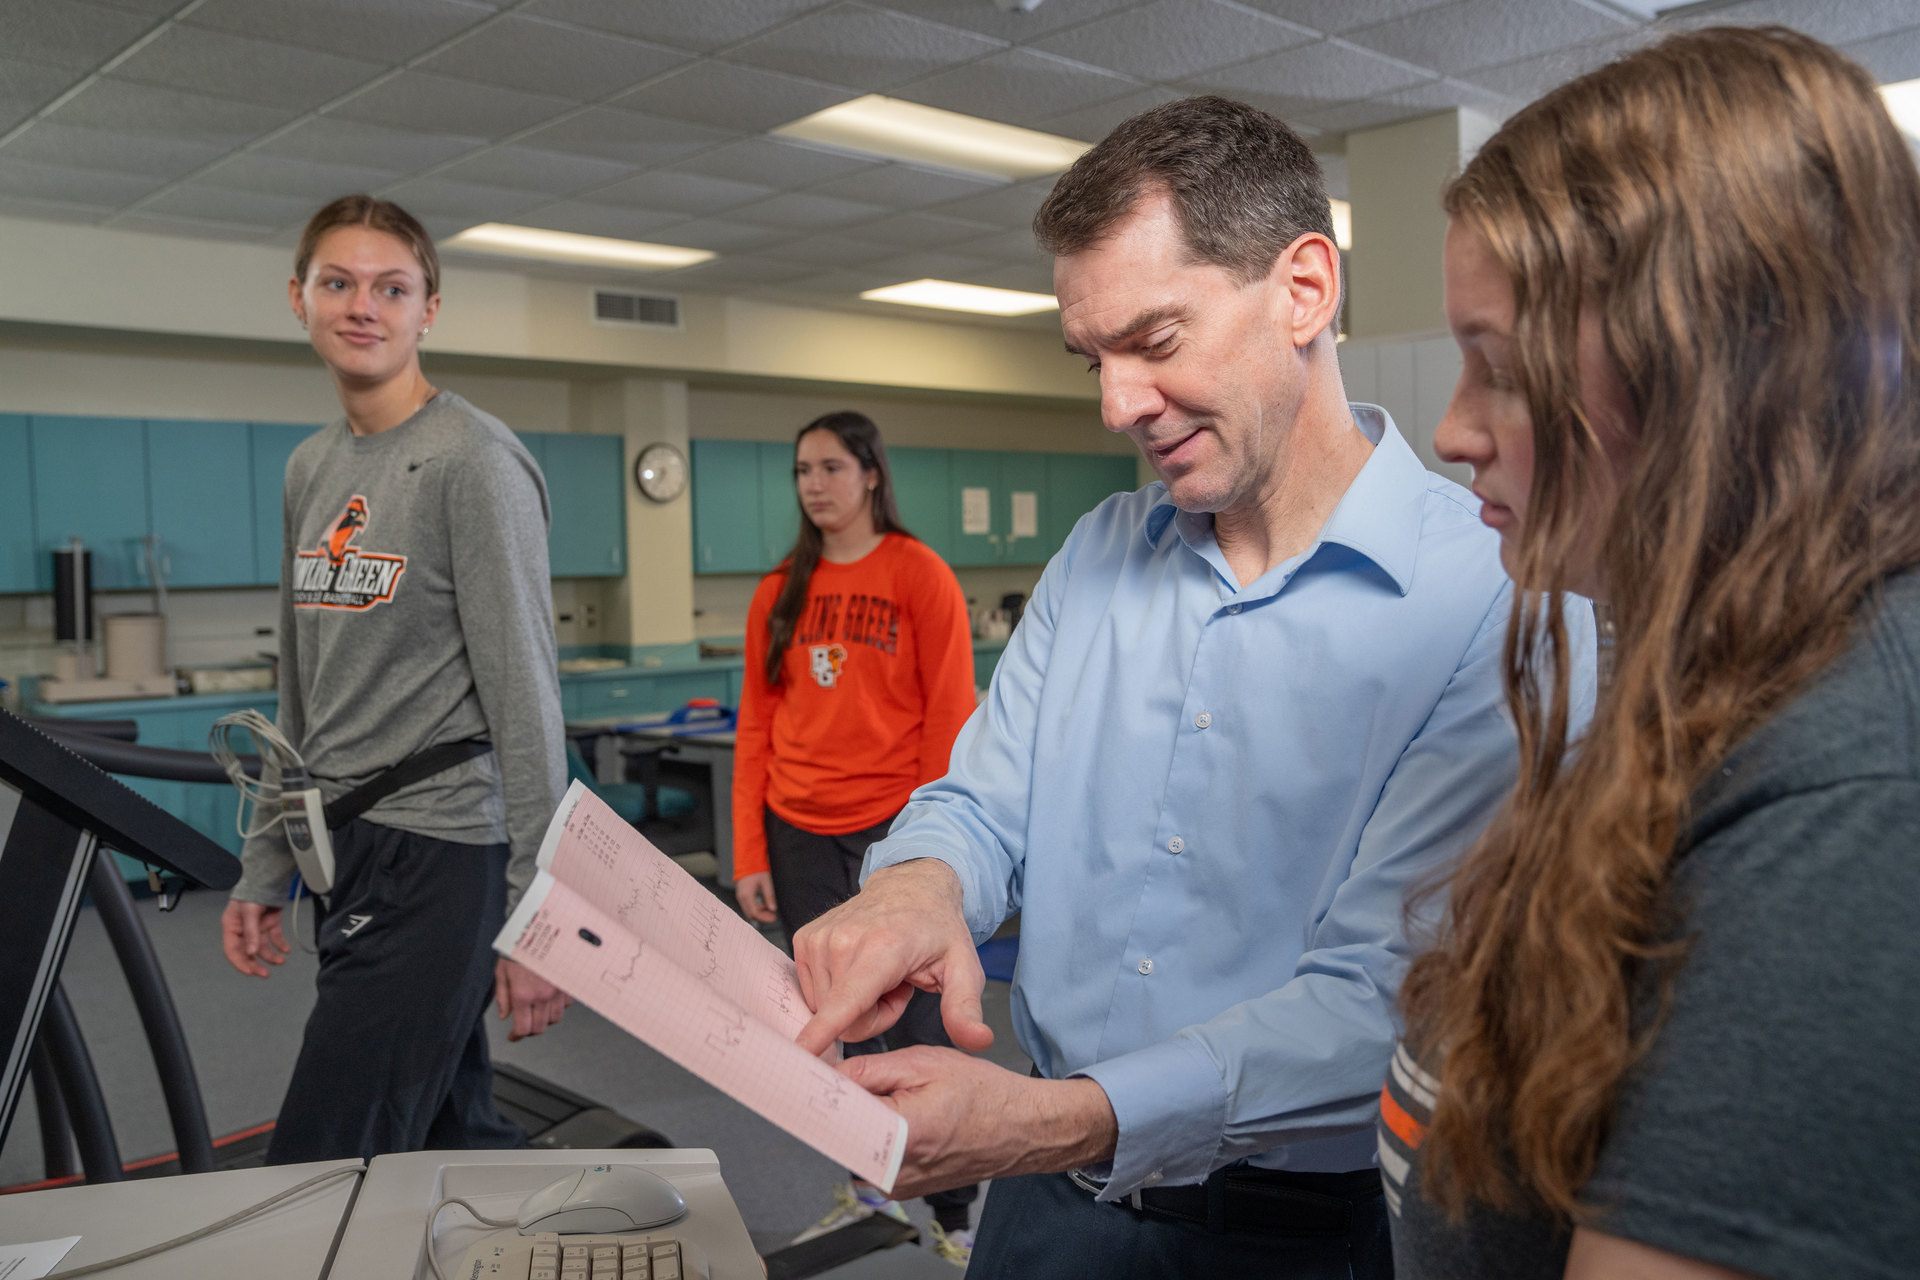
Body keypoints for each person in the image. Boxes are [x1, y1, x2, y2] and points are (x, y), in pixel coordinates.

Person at [790, 96, 1594, 1277]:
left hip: (1298, 1229)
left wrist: (1057, 1115)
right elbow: (981, 800)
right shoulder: (1099, 550)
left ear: (1305, 290)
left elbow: (1386, 993)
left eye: (1156, 342)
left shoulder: (1495, 592)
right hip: (1040, 1197)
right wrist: (918, 886)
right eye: (1093, 359)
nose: (1117, 404)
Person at [1380, 26, 1920, 1280]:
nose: (1454, 429)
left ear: (1714, 377)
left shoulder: (1849, 791)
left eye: (1501, 372)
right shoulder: (1719, 679)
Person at [219, 194, 569, 1162]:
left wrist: (544, 903)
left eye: (391, 286)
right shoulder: (310, 465)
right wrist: (267, 859)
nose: (361, 305)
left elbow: (525, 691)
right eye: (338, 283)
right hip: (346, 840)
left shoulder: (473, 461)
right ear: (301, 299)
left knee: (327, 1155)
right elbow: (301, 690)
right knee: (451, 1132)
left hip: (442, 848)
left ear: (429, 309)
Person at [729, 411, 981, 1263]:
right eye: (802, 470)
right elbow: (755, 727)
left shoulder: (919, 575)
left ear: (871, 473)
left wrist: (927, 849)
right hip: (796, 826)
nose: (814, 484)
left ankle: (955, 1207)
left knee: (918, 1026)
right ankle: (865, 1180)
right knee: (839, 1022)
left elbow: (950, 719)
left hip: (891, 830)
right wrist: (749, 852)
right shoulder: (779, 590)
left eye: (831, 467)